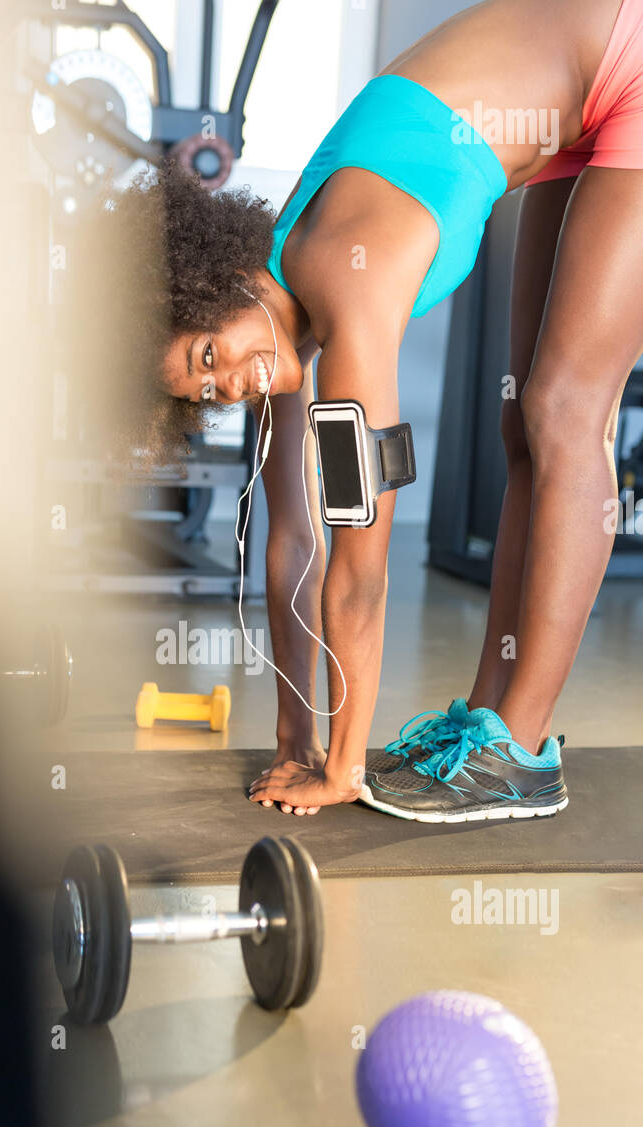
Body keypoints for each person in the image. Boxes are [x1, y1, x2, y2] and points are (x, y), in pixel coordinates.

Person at [149, 0, 643, 820]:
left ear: (219, 280)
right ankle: (485, 722)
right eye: (204, 392)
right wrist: (293, 740)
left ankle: (519, 755)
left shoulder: (342, 272)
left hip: (625, 50)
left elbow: (361, 562)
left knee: (561, 409)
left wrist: (344, 769)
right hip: (571, 104)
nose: (227, 382)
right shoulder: (277, 321)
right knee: (519, 424)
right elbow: (293, 545)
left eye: (209, 354)